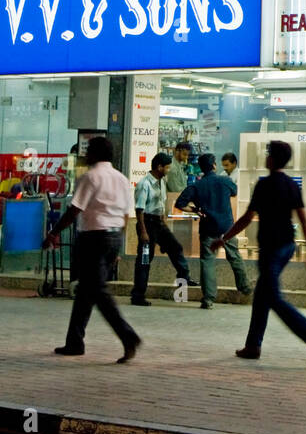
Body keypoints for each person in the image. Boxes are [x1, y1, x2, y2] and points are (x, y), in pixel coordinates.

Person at [213, 140, 306, 365]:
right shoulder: (292, 185)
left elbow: (246, 218)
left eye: (268, 154)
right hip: (287, 246)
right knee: (263, 296)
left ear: (272, 159)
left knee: (271, 296)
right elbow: (302, 217)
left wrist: (224, 238)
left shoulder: (264, 185)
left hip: (271, 248)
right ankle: (253, 345)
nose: (266, 157)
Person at [45, 137, 141, 363]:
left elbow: (74, 210)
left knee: (97, 291)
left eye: (87, 151)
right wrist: (118, 244)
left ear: (95, 154)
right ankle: (74, 341)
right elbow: (127, 214)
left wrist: (53, 232)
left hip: (93, 237)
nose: (85, 155)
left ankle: (128, 336)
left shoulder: (90, 177)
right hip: (114, 236)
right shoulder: (122, 179)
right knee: (86, 292)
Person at [177, 153, 251, 309]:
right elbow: (234, 192)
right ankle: (245, 287)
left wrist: (195, 209)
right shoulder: (225, 181)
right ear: (214, 165)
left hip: (208, 228)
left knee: (207, 262)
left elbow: (180, 203)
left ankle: (208, 299)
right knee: (235, 257)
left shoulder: (196, 185)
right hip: (227, 228)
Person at [131, 152, 196, 305]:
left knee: (175, 248)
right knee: (145, 259)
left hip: (158, 223)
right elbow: (139, 209)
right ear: (159, 167)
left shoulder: (161, 182)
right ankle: (138, 295)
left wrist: (164, 226)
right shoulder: (144, 184)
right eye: (167, 168)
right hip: (147, 223)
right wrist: (143, 232)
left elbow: (161, 205)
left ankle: (184, 277)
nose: (168, 170)